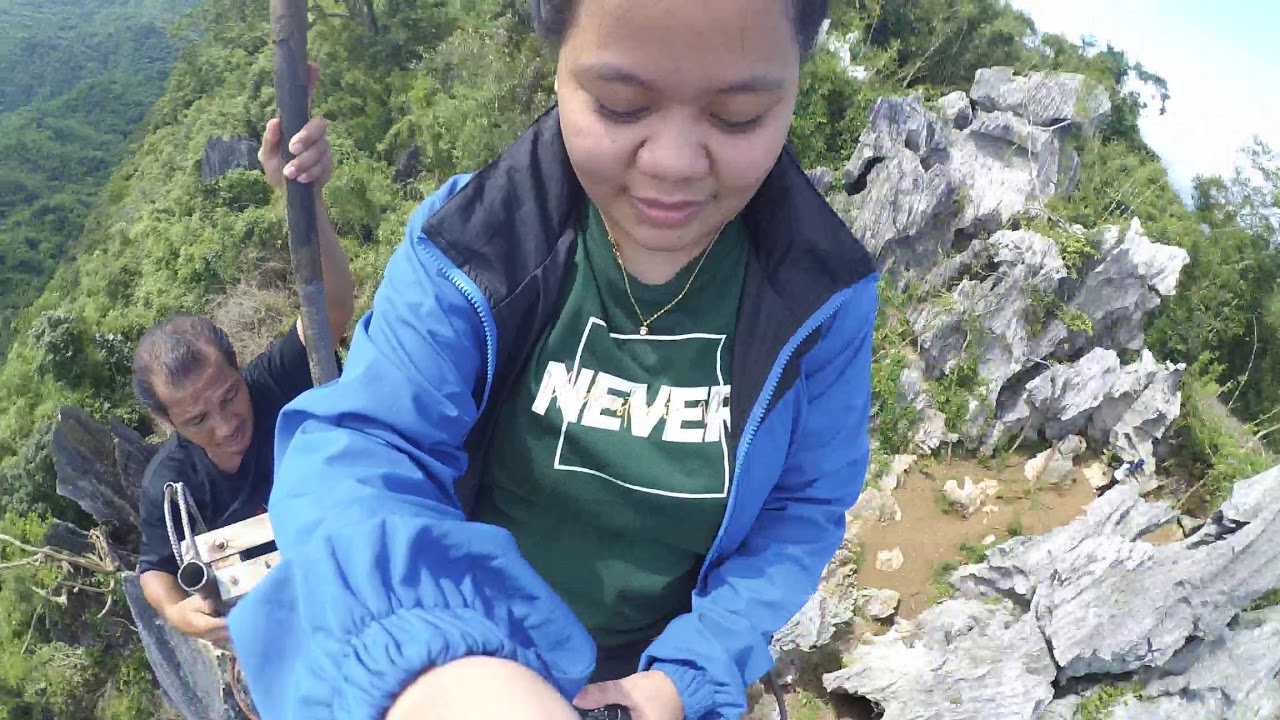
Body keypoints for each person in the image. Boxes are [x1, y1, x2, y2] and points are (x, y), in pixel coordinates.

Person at [228, 1, 877, 718]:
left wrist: (688, 673)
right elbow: (369, 447)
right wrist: (430, 668)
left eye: (738, 116)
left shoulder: (823, 296)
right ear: (554, 65)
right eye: (621, 105)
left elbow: (802, 506)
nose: (671, 162)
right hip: (471, 645)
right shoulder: (471, 248)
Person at [132, 67, 355, 647]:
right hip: (274, 627)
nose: (228, 424)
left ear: (238, 368)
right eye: (198, 420)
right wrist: (177, 614)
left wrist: (299, 195)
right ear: (168, 425)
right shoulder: (172, 485)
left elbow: (330, 313)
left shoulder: (273, 385)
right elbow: (153, 567)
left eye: (228, 395)